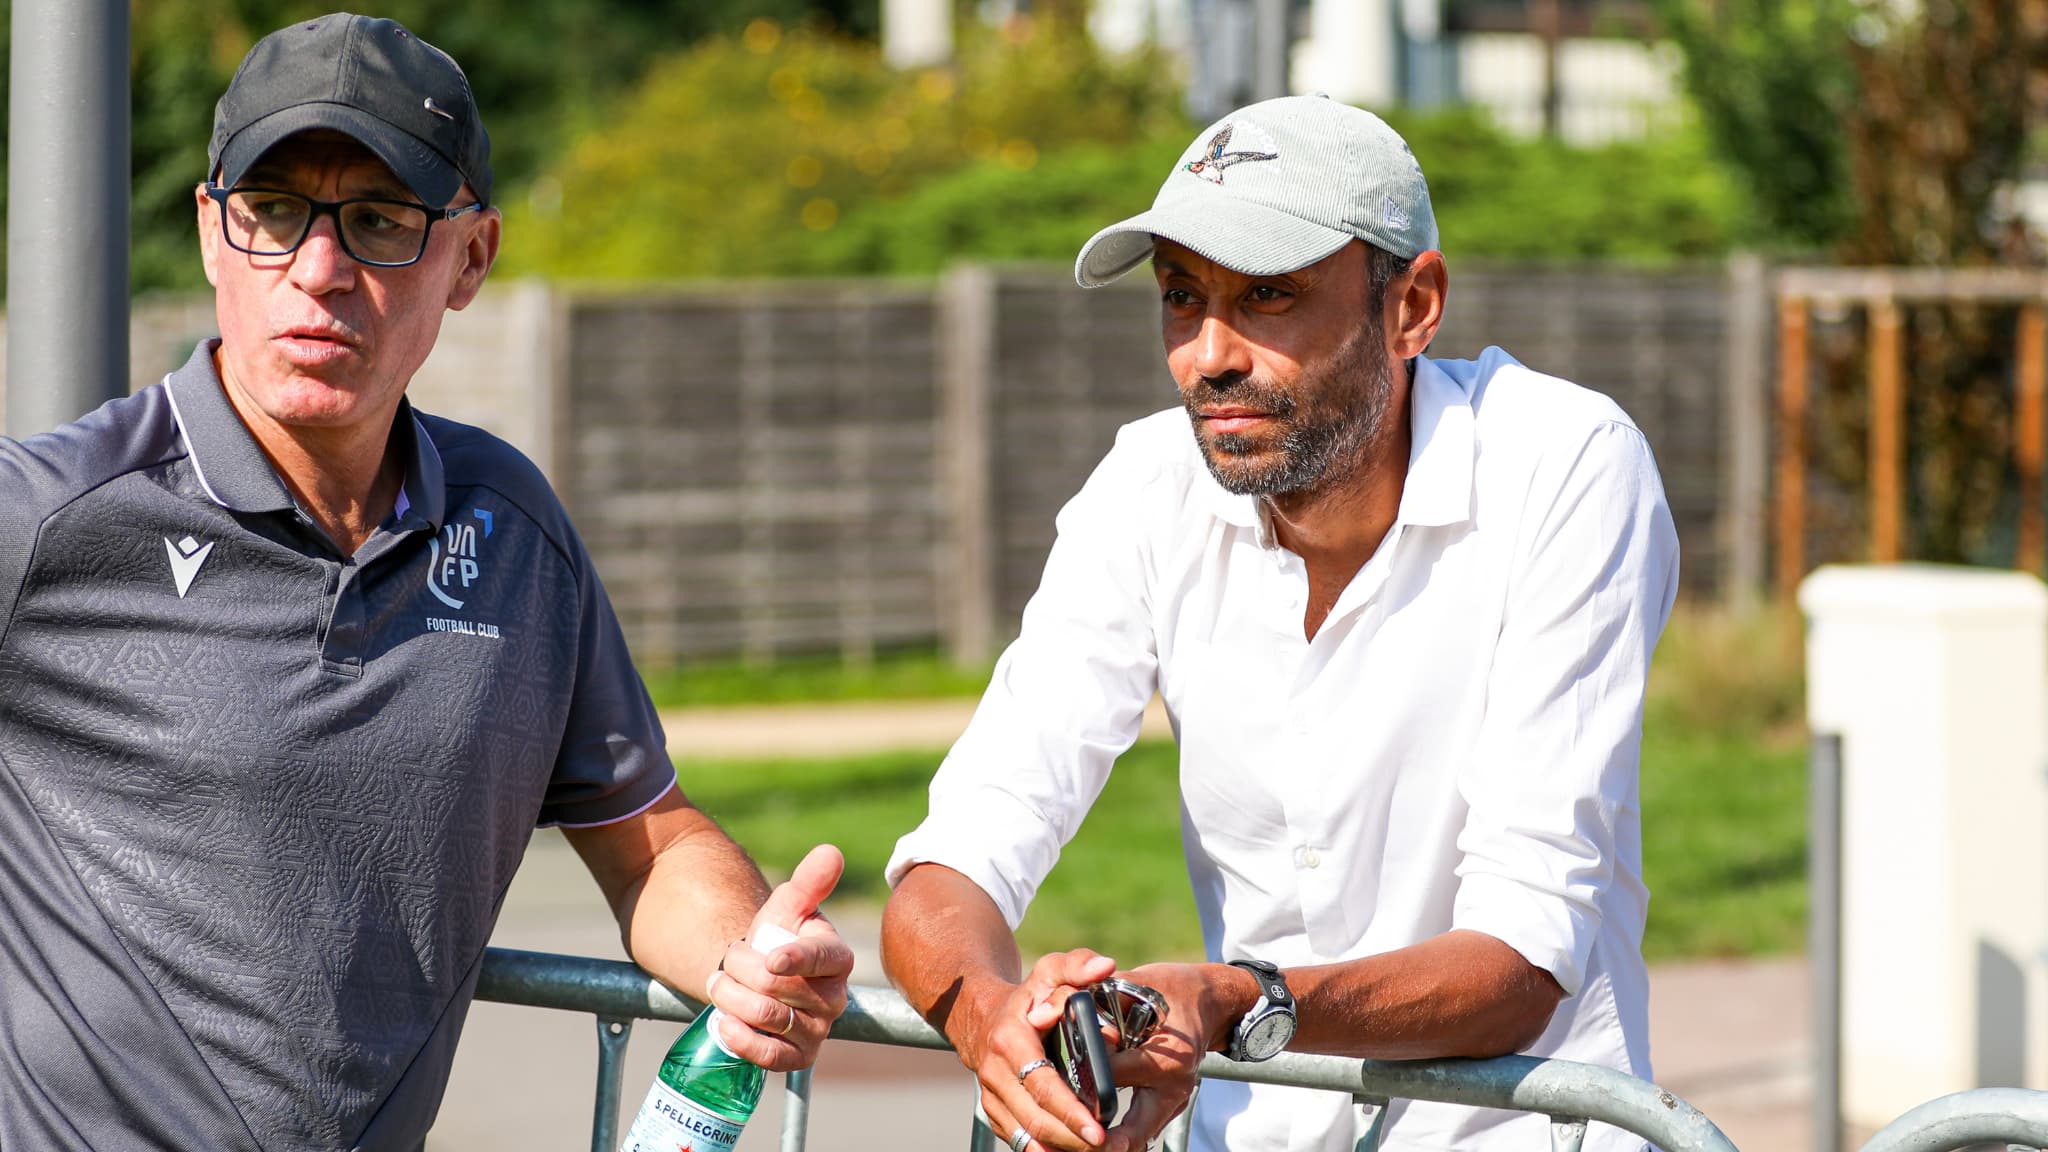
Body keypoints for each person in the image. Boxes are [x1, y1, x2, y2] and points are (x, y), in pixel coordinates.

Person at [0, 14, 850, 1150]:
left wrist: (751, 959)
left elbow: (649, 841)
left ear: (472, 258)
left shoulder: (511, 529)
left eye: (378, 222)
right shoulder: (52, 516)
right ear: (211, 233)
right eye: (272, 214)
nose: (317, 271)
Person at [881, 94, 1679, 1152]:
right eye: (1178, 296)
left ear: (1412, 306)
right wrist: (989, 1019)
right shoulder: (1144, 486)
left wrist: (1235, 1000)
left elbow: (1523, 955)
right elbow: (958, 854)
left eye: (1266, 296)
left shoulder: (1564, 463)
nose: (1205, 354)